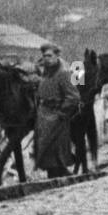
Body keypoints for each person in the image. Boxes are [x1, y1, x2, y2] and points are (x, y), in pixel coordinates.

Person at [32, 43, 80, 178]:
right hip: (43, 115)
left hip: (57, 116)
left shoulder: (64, 73)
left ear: (57, 56)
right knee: (44, 149)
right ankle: (53, 174)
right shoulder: (46, 73)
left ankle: (59, 174)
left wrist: (61, 113)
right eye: (44, 56)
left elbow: (74, 97)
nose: (46, 59)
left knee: (55, 149)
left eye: (49, 56)